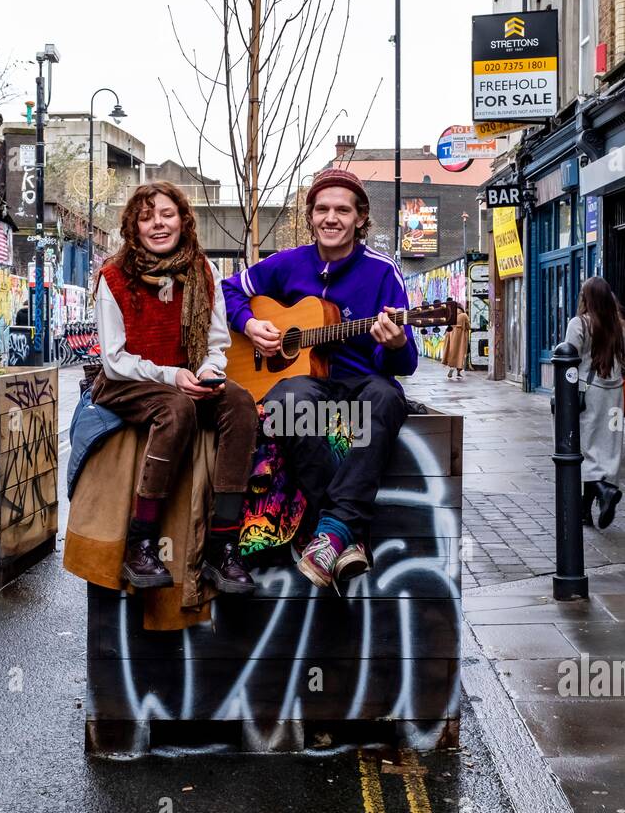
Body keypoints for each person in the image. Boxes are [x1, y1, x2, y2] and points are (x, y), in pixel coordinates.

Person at [222, 167, 417, 588]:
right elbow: (228, 290)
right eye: (322, 209)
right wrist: (251, 324)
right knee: (287, 400)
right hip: (310, 387)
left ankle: (327, 531)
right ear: (310, 216)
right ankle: (346, 534)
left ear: (360, 218)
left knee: (386, 399)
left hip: (363, 385)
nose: (331, 218)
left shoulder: (383, 273)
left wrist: (396, 343)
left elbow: (406, 365)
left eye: (342, 210)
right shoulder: (287, 264)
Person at [91, 182, 258, 594]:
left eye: (166, 214)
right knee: (177, 409)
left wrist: (207, 372)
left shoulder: (204, 271)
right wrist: (173, 377)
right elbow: (115, 360)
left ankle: (223, 545)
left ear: (183, 220)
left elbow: (217, 343)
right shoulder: (113, 277)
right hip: (128, 383)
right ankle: (140, 542)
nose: (158, 224)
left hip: (187, 377)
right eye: (146, 217)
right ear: (134, 226)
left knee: (239, 403)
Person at [565, 277, 625, 530]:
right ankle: (586, 511)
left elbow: (567, 358)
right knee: (608, 448)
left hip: (588, 393)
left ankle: (603, 489)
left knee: (585, 448)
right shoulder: (619, 326)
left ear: (585, 298)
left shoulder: (579, 323)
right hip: (615, 393)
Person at [442, 301, 471, 379]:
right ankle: (458, 372)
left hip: (451, 336)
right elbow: (468, 326)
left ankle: (451, 367)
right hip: (461, 337)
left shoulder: (451, 315)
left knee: (452, 352)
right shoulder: (464, 315)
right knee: (460, 353)